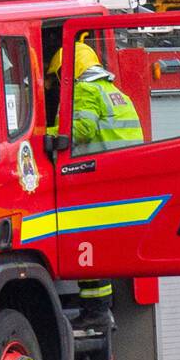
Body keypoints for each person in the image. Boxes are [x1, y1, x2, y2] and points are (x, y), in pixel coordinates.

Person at [45, 39, 145, 325]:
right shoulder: (113, 92)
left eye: (59, 74)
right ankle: (100, 311)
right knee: (96, 247)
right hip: (120, 183)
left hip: (100, 181)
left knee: (85, 242)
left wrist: (41, 135)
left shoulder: (85, 89)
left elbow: (81, 129)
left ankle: (97, 312)